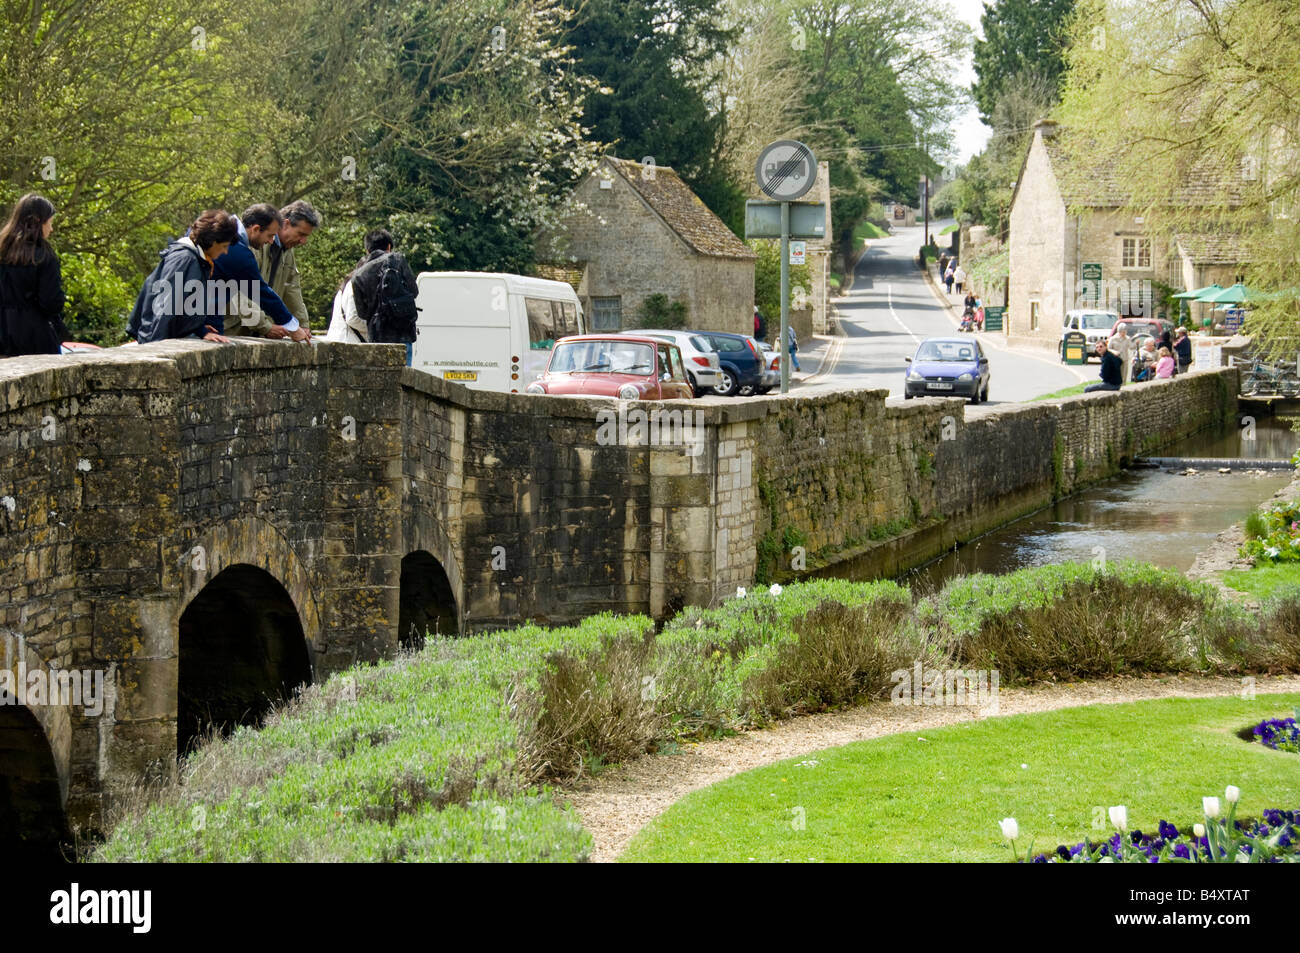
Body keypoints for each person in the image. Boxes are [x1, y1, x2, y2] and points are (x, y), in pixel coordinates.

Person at [126, 210, 236, 343]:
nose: (225, 251)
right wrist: (156, 348)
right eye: (224, 246)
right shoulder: (185, 259)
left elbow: (183, 306)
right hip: (155, 337)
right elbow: (166, 306)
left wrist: (197, 328)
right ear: (212, 241)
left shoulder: (198, 259)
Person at [211, 204, 303, 338]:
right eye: (270, 235)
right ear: (255, 229)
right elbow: (261, 292)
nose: (271, 241)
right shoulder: (238, 250)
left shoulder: (226, 239)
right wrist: (292, 326)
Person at [0, 193, 68, 357]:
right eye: (49, 223)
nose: (51, 229)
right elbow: (51, 302)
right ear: (38, 222)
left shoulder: (2, 252)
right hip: (35, 337)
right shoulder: (44, 256)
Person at [345, 229, 420, 364]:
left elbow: (362, 313)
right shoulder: (397, 260)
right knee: (404, 379)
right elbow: (414, 291)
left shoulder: (358, 276)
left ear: (367, 250)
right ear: (389, 247)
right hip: (403, 334)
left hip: (377, 337)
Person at [251, 200, 319, 340]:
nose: (303, 241)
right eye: (301, 234)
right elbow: (244, 290)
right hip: (233, 328)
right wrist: (265, 326)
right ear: (286, 224)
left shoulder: (287, 251)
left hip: (256, 328)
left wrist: (302, 325)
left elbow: (292, 288)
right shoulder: (256, 244)